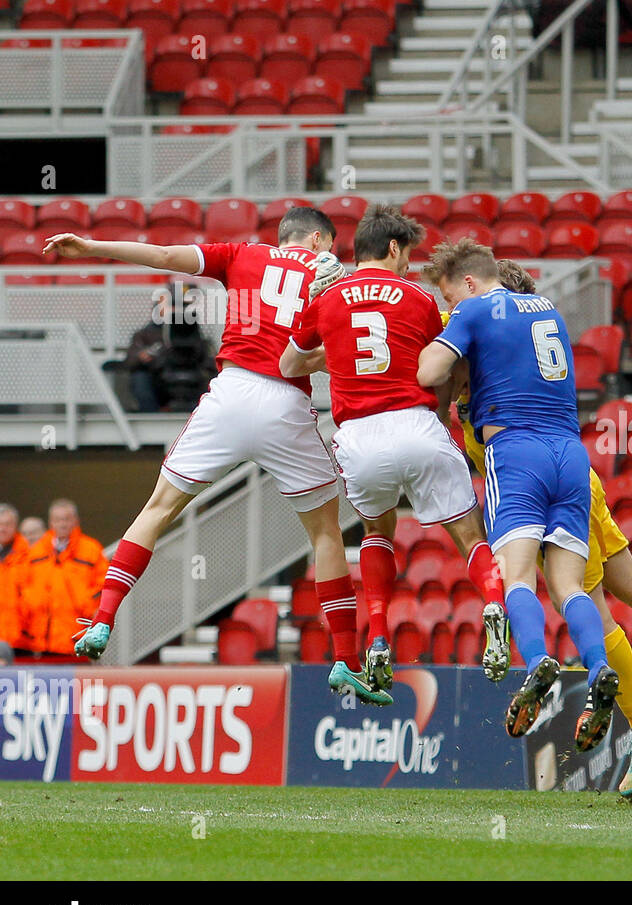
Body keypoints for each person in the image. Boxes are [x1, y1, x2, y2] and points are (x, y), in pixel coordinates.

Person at [42, 210, 379, 702]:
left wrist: (90, 247)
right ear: (316, 238)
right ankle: (346, 660)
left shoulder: (242, 254)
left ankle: (101, 619)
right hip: (286, 401)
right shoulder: (330, 276)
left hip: (231, 393)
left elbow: (161, 256)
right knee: (326, 533)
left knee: (157, 510)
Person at [449, 259, 632, 795]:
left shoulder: (487, 357)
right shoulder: (519, 351)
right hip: (576, 475)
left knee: (584, 604)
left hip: (542, 482)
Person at [280, 205, 509, 695]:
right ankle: (494, 602)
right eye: (406, 254)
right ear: (391, 248)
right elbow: (439, 366)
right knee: (468, 536)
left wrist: (331, 348)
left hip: (359, 436)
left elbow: (289, 361)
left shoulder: (327, 299)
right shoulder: (421, 299)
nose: (407, 264)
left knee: (376, 531)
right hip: (418, 423)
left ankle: (379, 635)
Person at [417, 240, 620, 752]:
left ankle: (537, 661)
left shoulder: (475, 308)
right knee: (570, 587)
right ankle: (598, 667)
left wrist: (444, 334)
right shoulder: (546, 306)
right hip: (571, 454)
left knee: (515, 578)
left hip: (515, 450)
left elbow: (428, 372)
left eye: (449, 294)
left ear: (467, 282)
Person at [20, 499, 107, 658]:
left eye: (67, 519)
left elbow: (104, 585)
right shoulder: (37, 551)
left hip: (77, 638)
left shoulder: (91, 550)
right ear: (51, 522)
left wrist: (89, 604)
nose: (62, 524)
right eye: (58, 520)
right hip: (39, 640)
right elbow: (24, 584)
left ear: (75, 521)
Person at [0, 503, 29, 655]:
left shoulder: (30, 556)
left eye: (7, 524)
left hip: (19, 640)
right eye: (0, 524)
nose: (2, 528)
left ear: (15, 526)